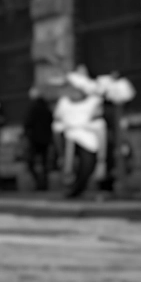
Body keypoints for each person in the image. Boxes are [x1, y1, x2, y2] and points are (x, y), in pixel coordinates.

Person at [53, 68, 106, 199]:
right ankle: (72, 188)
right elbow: (57, 125)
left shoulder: (93, 101)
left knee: (87, 164)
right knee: (70, 164)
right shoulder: (64, 103)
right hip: (69, 138)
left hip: (88, 138)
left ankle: (79, 188)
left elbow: (98, 125)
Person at [24, 85, 54, 191]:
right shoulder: (46, 107)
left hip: (34, 139)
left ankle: (39, 182)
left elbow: (28, 122)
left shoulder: (33, 107)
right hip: (46, 139)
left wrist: (26, 134)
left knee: (30, 162)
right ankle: (44, 183)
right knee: (44, 162)